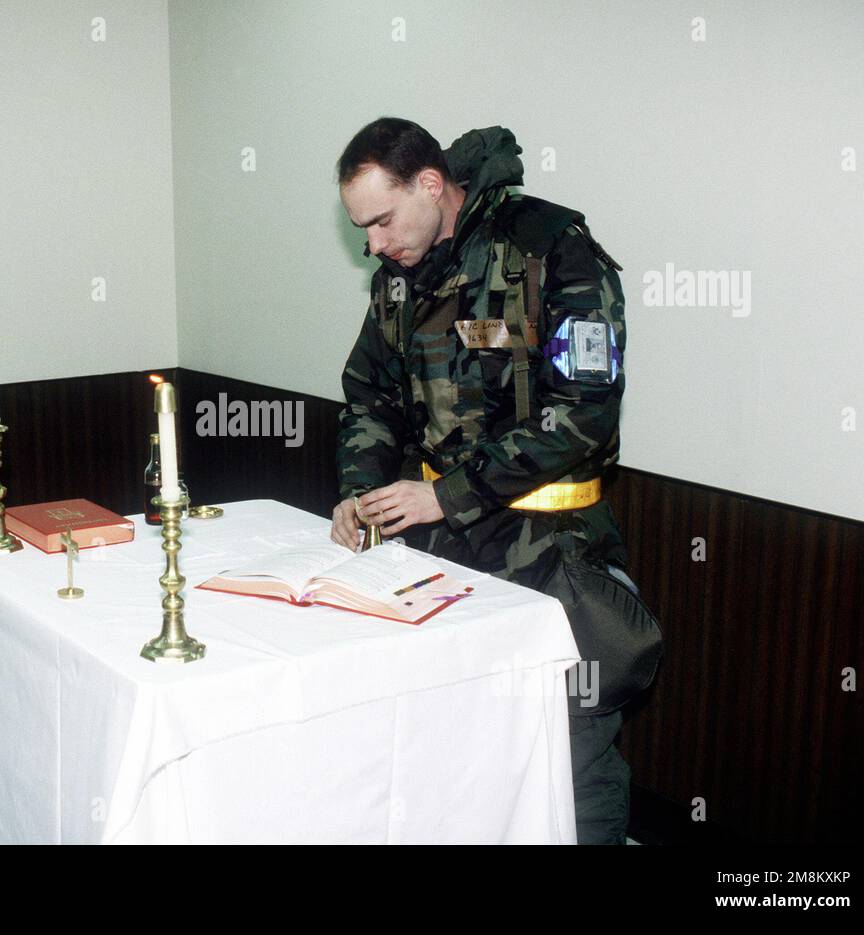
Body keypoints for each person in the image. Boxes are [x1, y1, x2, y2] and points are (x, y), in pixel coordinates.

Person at [331, 117, 634, 843]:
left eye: (381, 219)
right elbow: (370, 398)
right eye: (362, 227)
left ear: (431, 184)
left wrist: (448, 492)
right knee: (456, 741)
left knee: (572, 748)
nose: (373, 243)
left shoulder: (551, 248)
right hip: (440, 557)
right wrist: (359, 490)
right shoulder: (398, 283)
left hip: (552, 557)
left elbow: (584, 412)